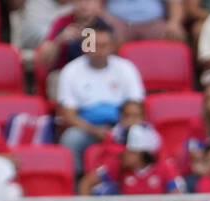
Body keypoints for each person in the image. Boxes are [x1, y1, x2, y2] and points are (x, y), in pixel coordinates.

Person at [55, 24, 146, 175]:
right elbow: (68, 115)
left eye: (104, 45)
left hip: (122, 125)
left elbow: (137, 105)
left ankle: (138, 182)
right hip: (86, 128)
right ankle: (77, 184)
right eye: (94, 45)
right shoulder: (71, 71)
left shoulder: (126, 68)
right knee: (71, 139)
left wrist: (121, 128)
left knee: (143, 134)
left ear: (112, 46)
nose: (99, 50)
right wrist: (94, 130)